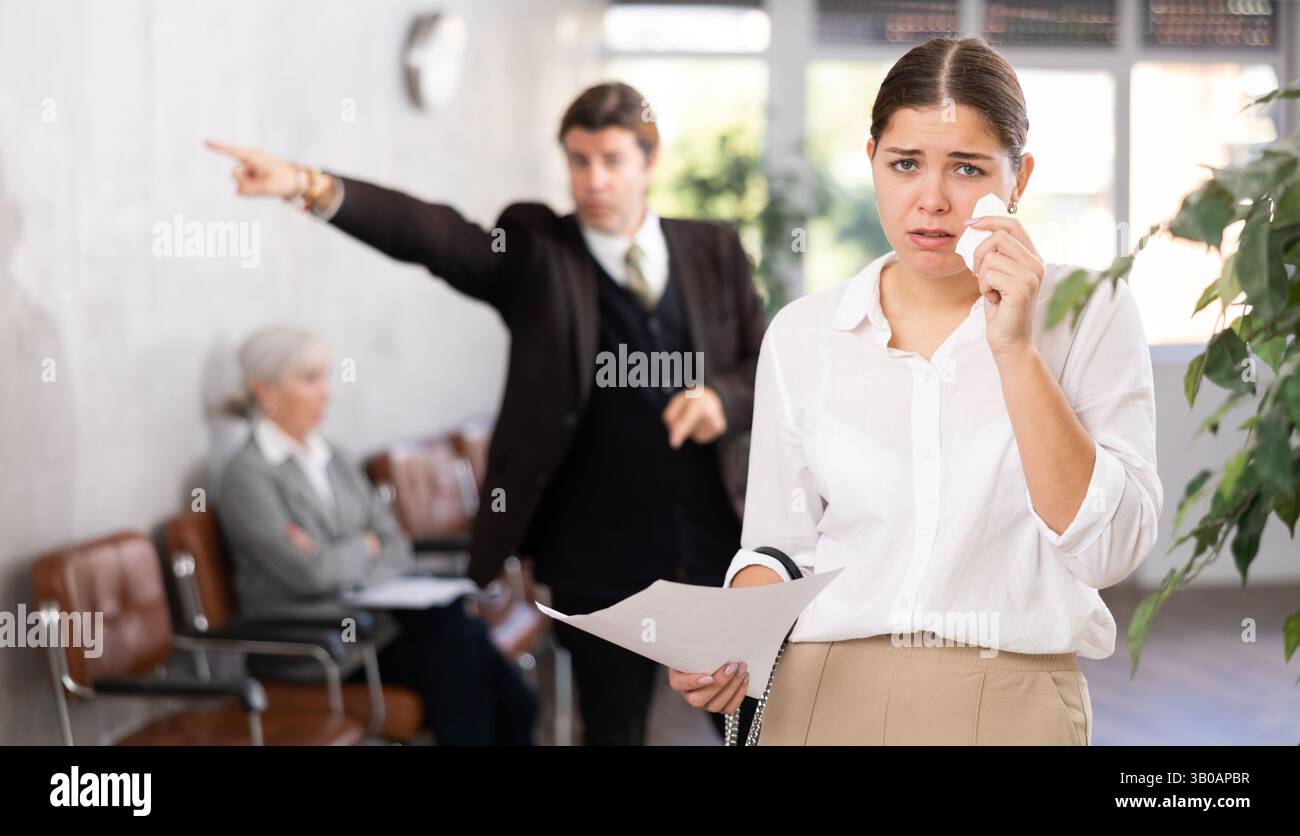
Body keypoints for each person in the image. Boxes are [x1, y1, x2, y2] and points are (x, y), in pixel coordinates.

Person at [206, 82, 767, 745]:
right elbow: (436, 236)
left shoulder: (712, 250)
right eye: (579, 161)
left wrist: (718, 400)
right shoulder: (539, 250)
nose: (594, 181)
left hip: (707, 542)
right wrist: (310, 184)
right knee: (613, 730)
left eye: (613, 160)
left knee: (753, 722)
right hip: (596, 559)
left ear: (651, 161)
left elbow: (762, 366)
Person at [670, 35, 1163, 744]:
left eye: (966, 168)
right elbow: (780, 544)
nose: (931, 200)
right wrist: (729, 635)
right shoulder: (805, 333)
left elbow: (1109, 551)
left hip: (1013, 700)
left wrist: (1015, 350)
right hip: (817, 697)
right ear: (872, 160)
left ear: (1017, 178)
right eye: (905, 164)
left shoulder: (1090, 315)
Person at [217, 326, 538, 745]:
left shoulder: (334, 458)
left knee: (491, 672)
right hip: (321, 649)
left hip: (377, 630)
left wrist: (349, 556)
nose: (327, 393)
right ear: (265, 391)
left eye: (327, 377)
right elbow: (309, 574)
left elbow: (395, 544)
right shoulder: (248, 478)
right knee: (462, 655)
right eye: (310, 379)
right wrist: (364, 546)